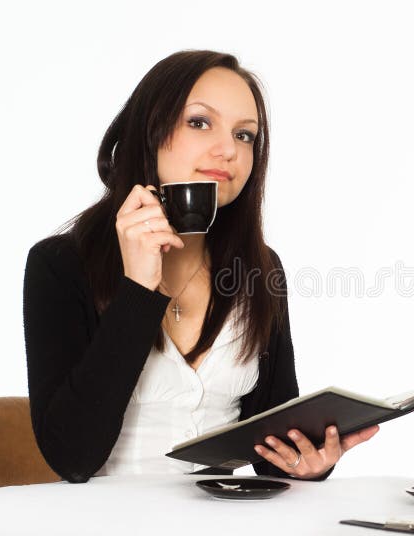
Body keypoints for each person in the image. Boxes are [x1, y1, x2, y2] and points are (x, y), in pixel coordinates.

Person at [23, 50, 378, 483]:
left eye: (245, 135)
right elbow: (72, 457)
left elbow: (271, 447)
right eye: (199, 122)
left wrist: (305, 461)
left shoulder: (261, 269)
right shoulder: (59, 265)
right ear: (149, 132)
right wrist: (138, 288)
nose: (228, 149)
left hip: (225, 518)